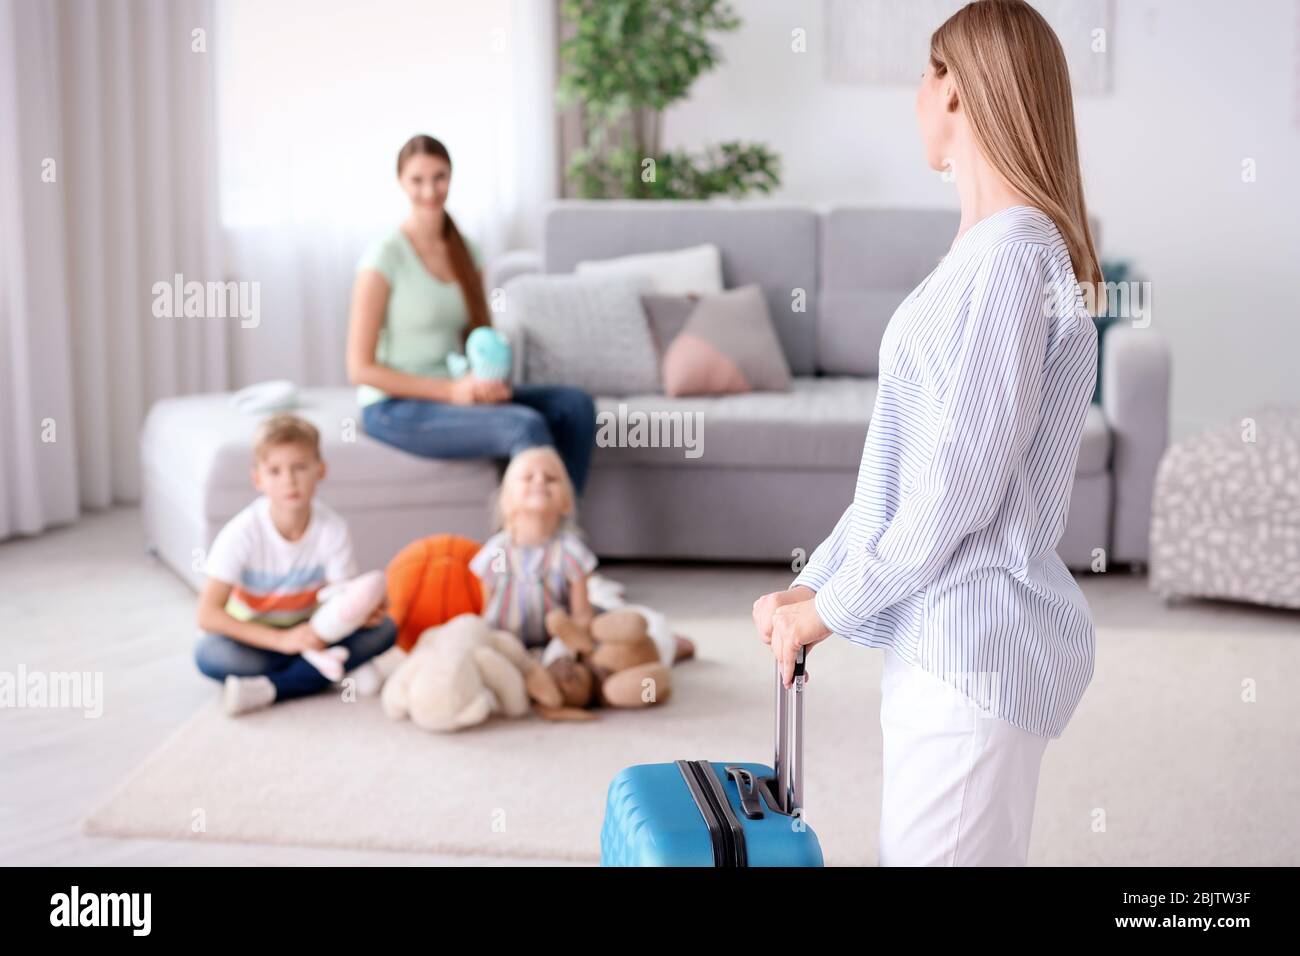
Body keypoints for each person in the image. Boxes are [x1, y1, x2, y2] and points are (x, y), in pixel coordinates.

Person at [753, 0, 1102, 866]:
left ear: (960, 93)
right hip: (943, 638)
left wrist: (830, 610)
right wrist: (819, 585)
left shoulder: (1013, 258)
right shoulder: (985, 255)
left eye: (925, 70)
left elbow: (955, 492)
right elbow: (905, 478)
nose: (914, 93)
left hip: (971, 646)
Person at [347, 134, 597, 493]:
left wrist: (486, 383)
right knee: (523, 426)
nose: (430, 190)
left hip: (457, 390)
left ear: (451, 177)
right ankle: (533, 538)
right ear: (401, 181)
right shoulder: (383, 257)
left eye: (439, 177)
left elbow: (480, 340)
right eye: (417, 180)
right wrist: (449, 391)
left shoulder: (468, 253)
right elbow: (359, 369)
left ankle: (561, 530)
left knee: (575, 406)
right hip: (395, 406)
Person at [194, 414, 396, 716]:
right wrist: (282, 640)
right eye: (275, 471)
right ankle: (324, 669)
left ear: (320, 470)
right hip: (258, 638)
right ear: (258, 479)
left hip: (314, 632)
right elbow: (207, 615)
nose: (289, 480)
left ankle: (272, 687)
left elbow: (340, 599)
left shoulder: (333, 529)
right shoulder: (241, 533)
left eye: (300, 467)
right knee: (210, 655)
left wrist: (364, 611)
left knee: (385, 630)